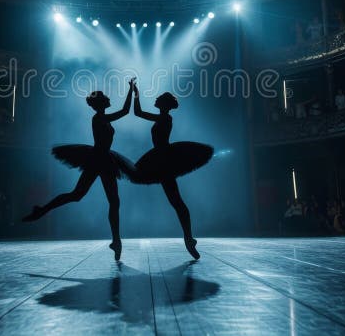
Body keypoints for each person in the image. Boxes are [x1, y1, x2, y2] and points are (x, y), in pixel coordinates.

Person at [21, 79, 136, 261]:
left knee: (94, 198)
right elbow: (124, 111)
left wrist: (131, 91)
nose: (108, 99)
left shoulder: (101, 117)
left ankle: (116, 240)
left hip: (103, 158)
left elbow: (123, 112)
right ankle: (42, 210)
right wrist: (131, 90)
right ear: (101, 103)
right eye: (105, 98)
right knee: (82, 196)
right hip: (100, 158)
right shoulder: (98, 118)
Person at [120, 83, 214, 260]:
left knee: (177, 201)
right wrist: (136, 94)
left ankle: (188, 237)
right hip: (161, 158)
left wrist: (136, 94)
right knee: (176, 201)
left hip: (164, 159)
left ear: (164, 104)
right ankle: (188, 238)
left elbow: (139, 114)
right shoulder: (161, 118)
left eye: (158, 98)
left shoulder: (165, 119)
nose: (155, 99)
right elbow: (138, 113)